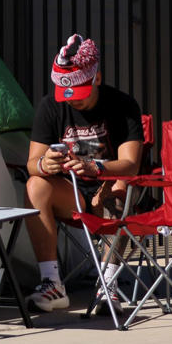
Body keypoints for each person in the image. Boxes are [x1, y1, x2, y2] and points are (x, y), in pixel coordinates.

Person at [24, 33, 143, 312]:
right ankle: (52, 284)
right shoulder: (50, 107)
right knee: (35, 184)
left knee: (119, 188)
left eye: (78, 93)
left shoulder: (122, 106)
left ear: (96, 79)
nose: (71, 101)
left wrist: (97, 167)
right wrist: (45, 164)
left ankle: (108, 284)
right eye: (66, 94)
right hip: (72, 192)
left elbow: (130, 164)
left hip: (109, 188)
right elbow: (31, 162)